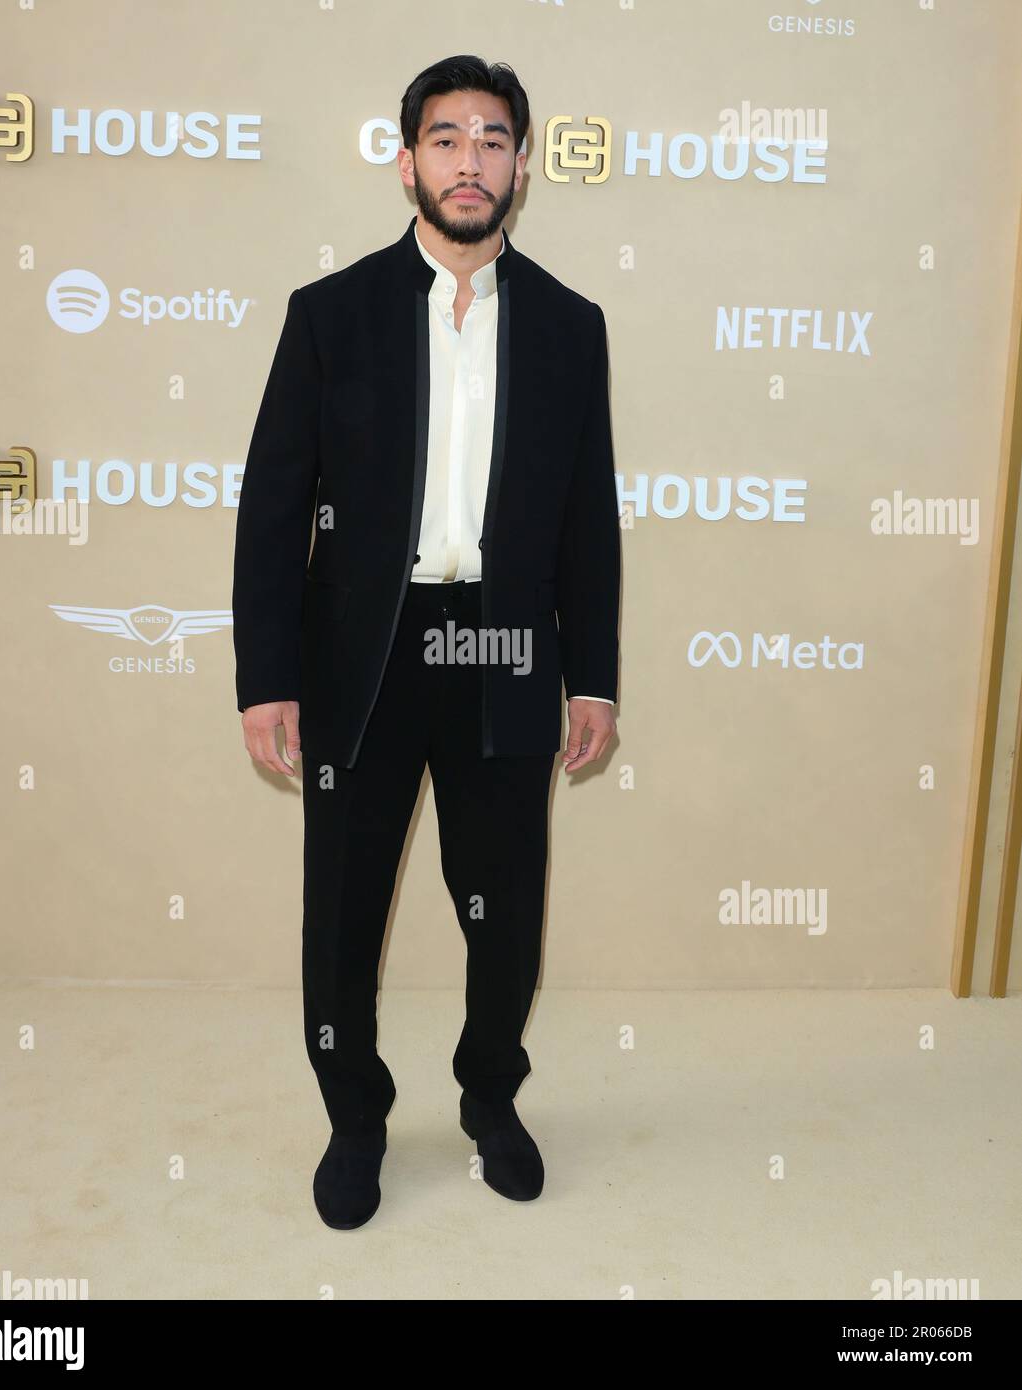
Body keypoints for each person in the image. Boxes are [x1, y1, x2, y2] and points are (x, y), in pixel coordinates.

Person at [232, 54, 620, 1230]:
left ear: (521, 166)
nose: (470, 161)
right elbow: (272, 508)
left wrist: (593, 674)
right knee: (342, 906)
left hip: (505, 651)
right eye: (446, 139)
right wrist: (268, 680)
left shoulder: (568, 324)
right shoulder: (330, 313)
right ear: (407, 162)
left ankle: (491, 1100)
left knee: (502, 903)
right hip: (364, 655)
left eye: (493, 139)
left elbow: (586, 517)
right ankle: (356, 1119)